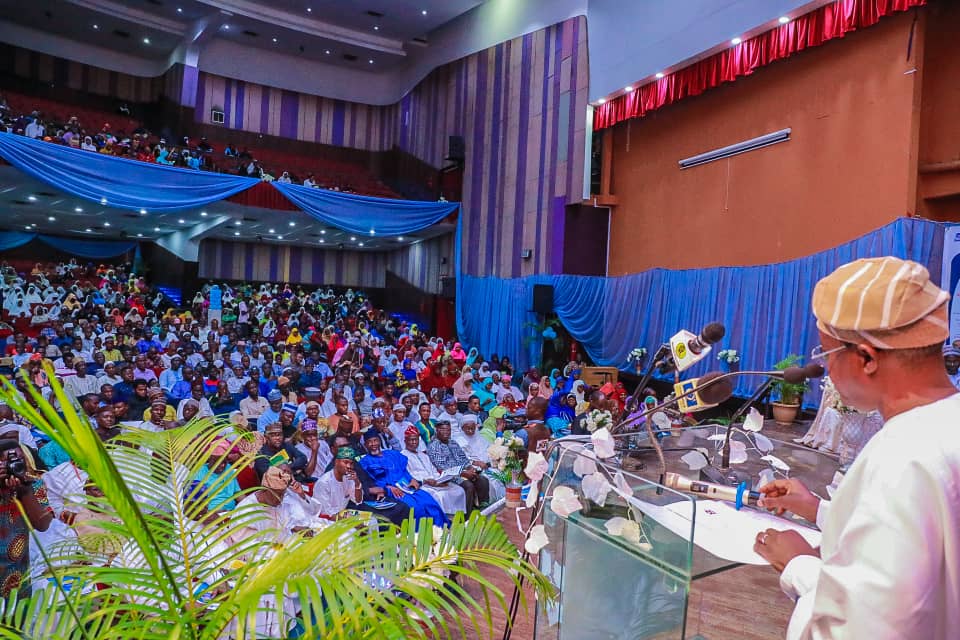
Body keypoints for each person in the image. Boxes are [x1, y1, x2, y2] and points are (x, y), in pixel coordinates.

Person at [753, 257, 960, 640]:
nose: (826, 371)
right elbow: (923, 547)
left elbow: (867, 627)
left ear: (865, 357)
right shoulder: (944, 425)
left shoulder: (904, 456)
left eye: (826, 354)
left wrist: (798, 564)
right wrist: (819, 510)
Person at [358, 430, 448, 526]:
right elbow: (370, 481)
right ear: (366, 445)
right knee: (414, 507)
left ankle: (440, 529)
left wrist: (412, 479)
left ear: (379, 441)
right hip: (392, 491)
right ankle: (419, 535)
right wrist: (387, 488)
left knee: (428, 500)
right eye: (369, 442)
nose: (373, 444)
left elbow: (404, 471)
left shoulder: (393, 454)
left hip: (407, 486)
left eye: (375, 440)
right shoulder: (364, 462)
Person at [0, 439, 53, 598]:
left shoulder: (33, 484)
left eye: (18, 459)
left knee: (16, 619)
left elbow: (42, 524)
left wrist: (25, 491)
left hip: (17, 573)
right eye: (7, 461)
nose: (14, 464)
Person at [426, 420, 490, 514]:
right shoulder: (434, 446)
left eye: (448, 430)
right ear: (437, 430)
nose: (446, 432)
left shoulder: (453, 443)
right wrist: (463, 473)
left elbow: (463, 458)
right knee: (468, 485)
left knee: (483, 480)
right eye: (443, 430)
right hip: (447, 476)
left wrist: (470, 468)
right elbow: (441, 466)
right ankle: (467, 516)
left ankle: (483, 510)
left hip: (463, 472)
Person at [400, 426, 466, 515]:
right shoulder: (402, 456)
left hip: (436, 482)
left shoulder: (423, 455)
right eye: (411, 440)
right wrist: (425, 481)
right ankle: (445, 521)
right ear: (405, 441)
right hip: (423, 485)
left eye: (416, 440)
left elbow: (433, 470)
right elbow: (408, 475)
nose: (414, 442)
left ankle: (459, 518)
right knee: (440, 496)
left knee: (459, 490)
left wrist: (441, 479)